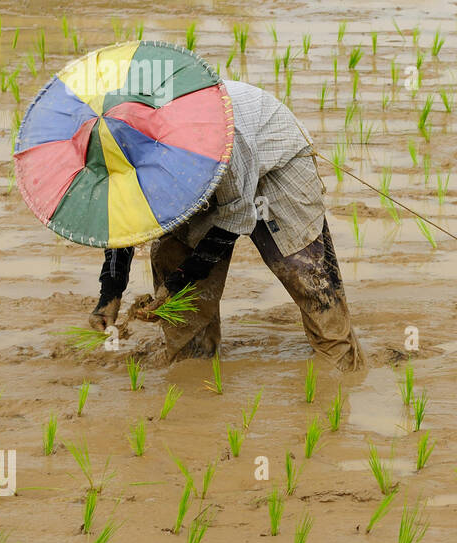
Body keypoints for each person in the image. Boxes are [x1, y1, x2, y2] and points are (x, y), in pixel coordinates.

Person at [87, 79, 365, 372]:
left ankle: (341, 366)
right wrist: (111, 293)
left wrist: (181, 281)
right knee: (173, 255)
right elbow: (125, 220)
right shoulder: (120, 151)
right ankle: (194, 364)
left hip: (274, 158)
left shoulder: (210, 134)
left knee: (304, 271)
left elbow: (236, 216)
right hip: (200, 171)